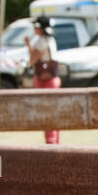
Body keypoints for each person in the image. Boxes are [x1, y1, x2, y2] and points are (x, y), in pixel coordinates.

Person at [25, 17, 61, 145]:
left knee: (47, 110)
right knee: (53, 109)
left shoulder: (41, 41)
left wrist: (29, 48)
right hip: (53, 77)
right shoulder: (50, 39)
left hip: (44, 79)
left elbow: (33, 59)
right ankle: (54, 139)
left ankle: (50, 140)